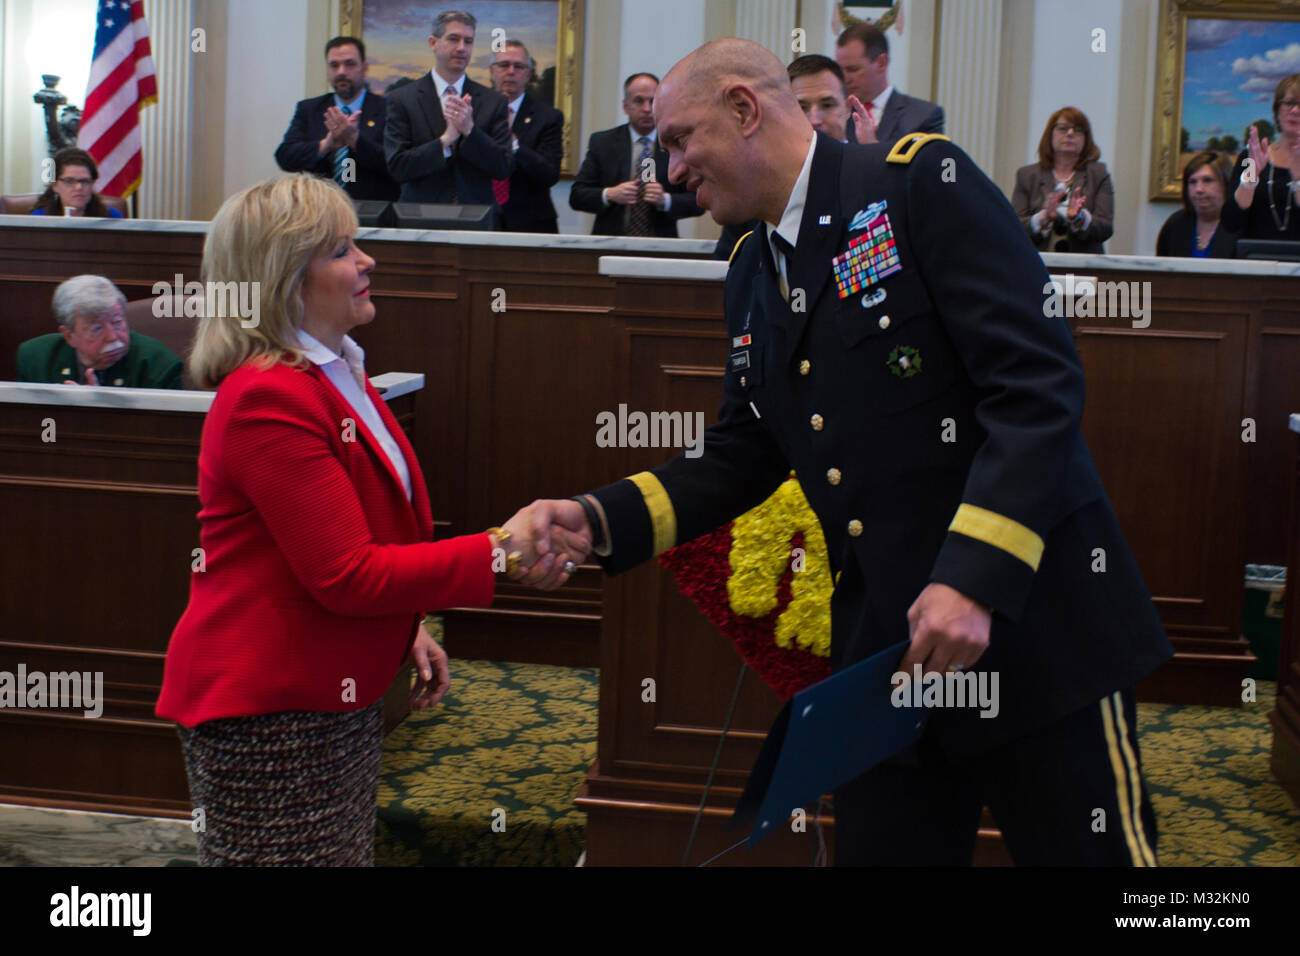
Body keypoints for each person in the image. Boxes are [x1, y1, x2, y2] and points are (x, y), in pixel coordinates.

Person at [527, 38, 1171, 866]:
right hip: (889, 660)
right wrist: (592, 519)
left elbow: (1037, 387)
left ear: (744, 109)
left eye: (683, 138)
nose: (673, 168)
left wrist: (971, 579)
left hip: (1032, 629)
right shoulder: (750, 272)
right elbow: (741, 453)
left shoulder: (915, 185)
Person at [154, 174, 581, 865]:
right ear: (286, 277)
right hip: (271, 710)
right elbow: (347, 574)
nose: (367, 261)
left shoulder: (333, 374)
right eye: (342, 250)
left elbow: (364, 544)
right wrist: (500, 550)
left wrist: (404, 630)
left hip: (326, 695)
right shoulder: (269, 397)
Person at [713, 55, 852, 259]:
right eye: (802, 107)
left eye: (827, 105)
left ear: (847, 108)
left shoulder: (872, 178)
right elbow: (730, 274)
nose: (814, 120)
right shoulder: (751, 189)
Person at [383, 10, 512, 210]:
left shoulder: (493, 101)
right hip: (419, 219)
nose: (462, 48)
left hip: (477, 220)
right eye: (453, 39)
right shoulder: (402, 99)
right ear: (433, 43)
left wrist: (470, 130)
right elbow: (398, 167)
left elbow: (503, 167)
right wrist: (445, 141)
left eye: (468, 41)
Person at [569, 73, 703, 237]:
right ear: (625, 106)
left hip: (660, 246)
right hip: (610, 244)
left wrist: (666, 200)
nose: (647, 109)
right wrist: (609, 194)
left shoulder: (678, 144)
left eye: (652, 102)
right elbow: (577, 196)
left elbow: (698, 202)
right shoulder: (603, 142)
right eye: (639, 101)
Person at [273, 36, 400, 202]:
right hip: (320, 210)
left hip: (373, 214)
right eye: (334, 65)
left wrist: (355, 141)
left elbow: (398, 164)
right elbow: (285, 157)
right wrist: (324, 146)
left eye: (350, 64)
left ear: (365, 68)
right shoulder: (309, 109)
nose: (341, 72)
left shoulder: (389, 109)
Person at [16, 275, 181, 388]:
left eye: (117, 322)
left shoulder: (157, 365)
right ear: (69, 336)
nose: (112, 337)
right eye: (96, 328)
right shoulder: (36, 360)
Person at [1012, 107, 1114, 254]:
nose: (1070, 133)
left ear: (1086, 139)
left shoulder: (1098, 174)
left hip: (1085, 268)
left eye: (1078, 130)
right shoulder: (1027, 175)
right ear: (1050, 135)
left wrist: (1080, 218)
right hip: (1038, 265)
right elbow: (1014, 228)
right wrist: (1042, 217)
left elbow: (1106, 229)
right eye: (1063, 128)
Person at [489, 40, 564, 233]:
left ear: (528, 75)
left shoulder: (548, 117)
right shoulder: (474, 112)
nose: (511, 71)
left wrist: (513, 144)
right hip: (483, 219)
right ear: (492, 71)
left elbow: (549, 174)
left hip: (531, 223)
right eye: (504, 65)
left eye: (519, 66)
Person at [835, 21, 943, 145]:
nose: (844, 79)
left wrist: (872, 147)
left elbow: (927, 164)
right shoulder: (835, 115)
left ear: (882, 62)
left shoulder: (923, 116)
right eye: (839, 69)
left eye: (852, 69)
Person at [1223, 73, 1300, 242]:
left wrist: (1298, 180)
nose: (1295, 110)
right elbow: (1230, 223)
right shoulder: (1250, 157)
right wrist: (1250, 179)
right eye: (1289, 103)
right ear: (1277, 110)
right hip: (1255, 261)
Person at [1155, 151, 1237, 258]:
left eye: (1207, 180)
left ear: (1226, 184)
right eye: (1192, 182)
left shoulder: (1242, 226)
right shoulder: (1175, 224)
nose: (1198, 189)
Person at [30, 147, 123, 218]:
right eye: (69, 181)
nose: (79, 187)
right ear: (55, 185)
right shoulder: (40, 218)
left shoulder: (110, 217)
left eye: (85, 181)